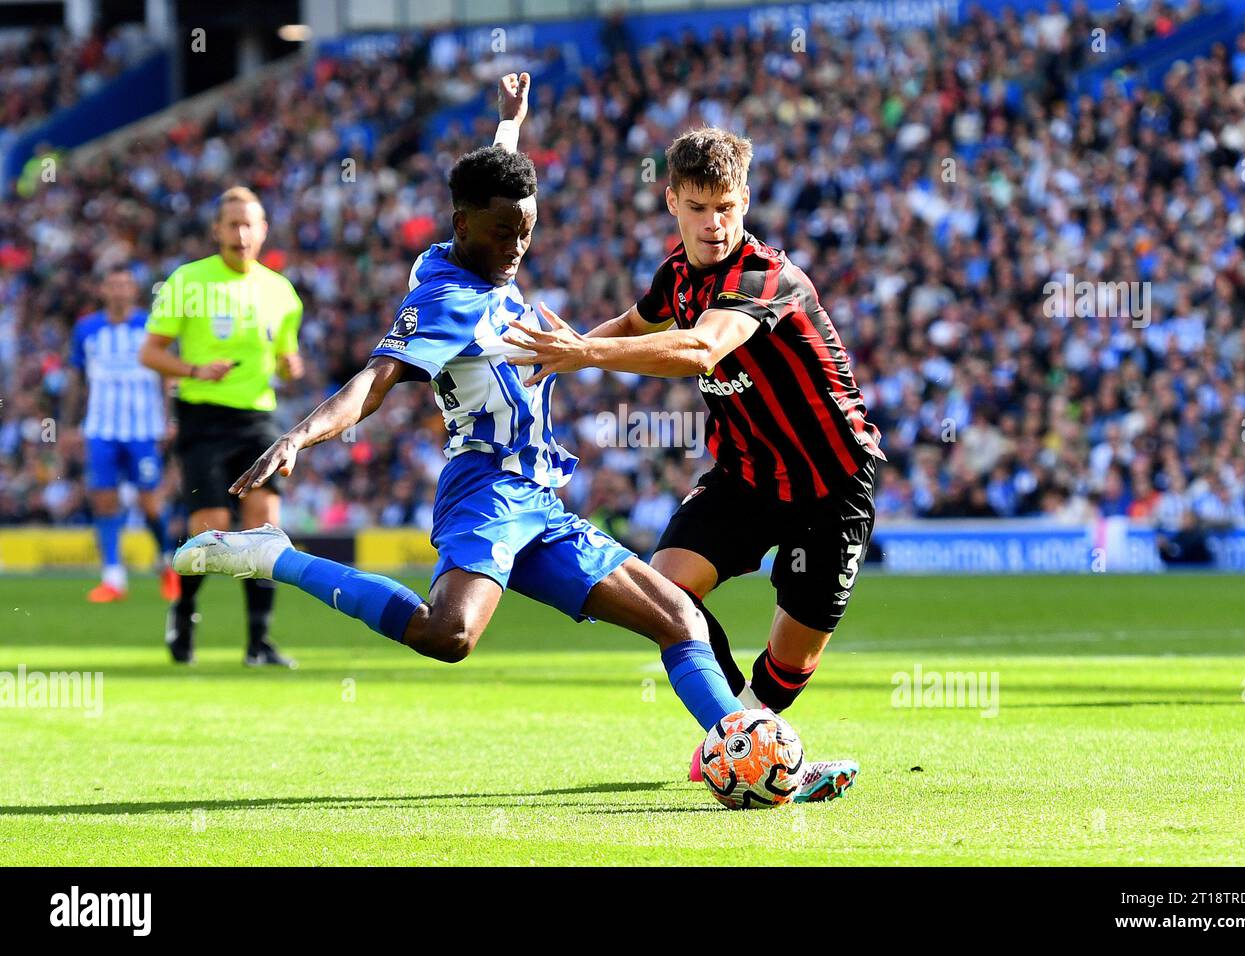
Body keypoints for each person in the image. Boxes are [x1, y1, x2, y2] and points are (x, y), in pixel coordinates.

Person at [170, 76, 850, 802]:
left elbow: (498, 189)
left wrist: (509, 126)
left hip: (541, 499)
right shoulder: (442, 301)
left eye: (527, 229)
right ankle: (279, 557)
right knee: (449, 636)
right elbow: (376, 378)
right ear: (463, 226)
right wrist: (301, 436)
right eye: (506, 233)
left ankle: (758, 759)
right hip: (485, 490)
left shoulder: (486, 242)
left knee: (678, 616)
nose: (520, 245)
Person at [505, 126, 886, 796]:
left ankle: (757, 730)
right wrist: (555, 360)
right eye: (701, 206)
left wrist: (582, 354)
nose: (715, 224)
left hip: (833, 482)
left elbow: (699, 351)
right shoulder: (675, 277)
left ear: (745, 202)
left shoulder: (766, 276)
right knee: (665, 592)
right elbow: (633, 326)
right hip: (745, 477)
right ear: (672, 201)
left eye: (728, 207)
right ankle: (742, 737)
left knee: (791, 662)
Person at [138, 186, 305, 666]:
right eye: (232, 224)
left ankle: (259, 643)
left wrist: (292, 366)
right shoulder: (187, 282)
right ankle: (183, 614)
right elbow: (149, 353)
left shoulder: (281, 291)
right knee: (208, 531)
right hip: (203, 418)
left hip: (258, 419)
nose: (241, 233)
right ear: (216, 230)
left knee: (265, 529)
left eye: (250, 224)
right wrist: (193, 371)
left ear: (264, 230)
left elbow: (286, 360)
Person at [69, 266, 178, 603]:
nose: (119, 291)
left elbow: (166, 375)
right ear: (103, 289)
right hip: (101, 428)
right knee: (103, 499)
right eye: (113, 284)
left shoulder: (150, 325)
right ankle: (113, 578)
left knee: (149, 503)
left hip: (143, 429)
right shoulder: (87, 329)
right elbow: (77, 380)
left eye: (125, 285)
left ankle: (166, 564)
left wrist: (170, 417)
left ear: (133, 291)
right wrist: (68, 424)